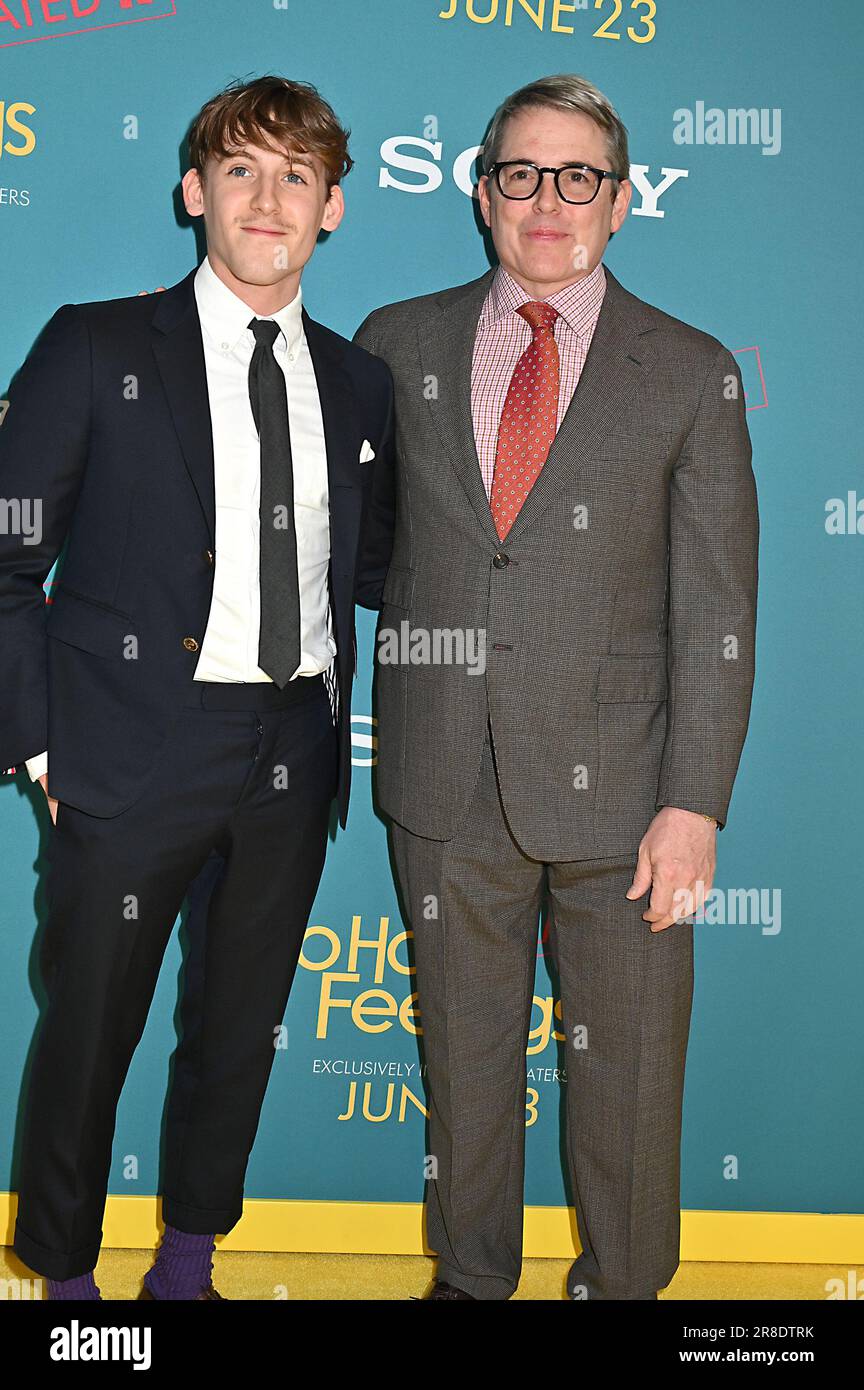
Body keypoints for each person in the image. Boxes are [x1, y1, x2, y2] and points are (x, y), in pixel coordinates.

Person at [354, 73, 759, 1300]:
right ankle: (471, 1284)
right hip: (444, 782)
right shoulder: (395, 342)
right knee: (467, 1079)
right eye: (522, 174)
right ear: (483, 196)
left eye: (578, 176)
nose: (549, 200)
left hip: (631, 803)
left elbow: (721, 611)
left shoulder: (691, 371)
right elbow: (361, 554)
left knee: (631, 1084)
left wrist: (696, 805)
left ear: (622, 202)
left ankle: (623, 1288)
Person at [0, 74, 394, 1300]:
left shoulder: (360, 382)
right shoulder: (97, 342)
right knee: (87, 1034)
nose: (266, 199)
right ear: (195, 192)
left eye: (295, 176)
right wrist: (41, 750)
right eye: (240, 170)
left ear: (333, 207)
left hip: (291, 752)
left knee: (237, 1034)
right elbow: (9, 559)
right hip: (127, 751)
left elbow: (374, 570)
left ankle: (185, 1270)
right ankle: (63, 1291)